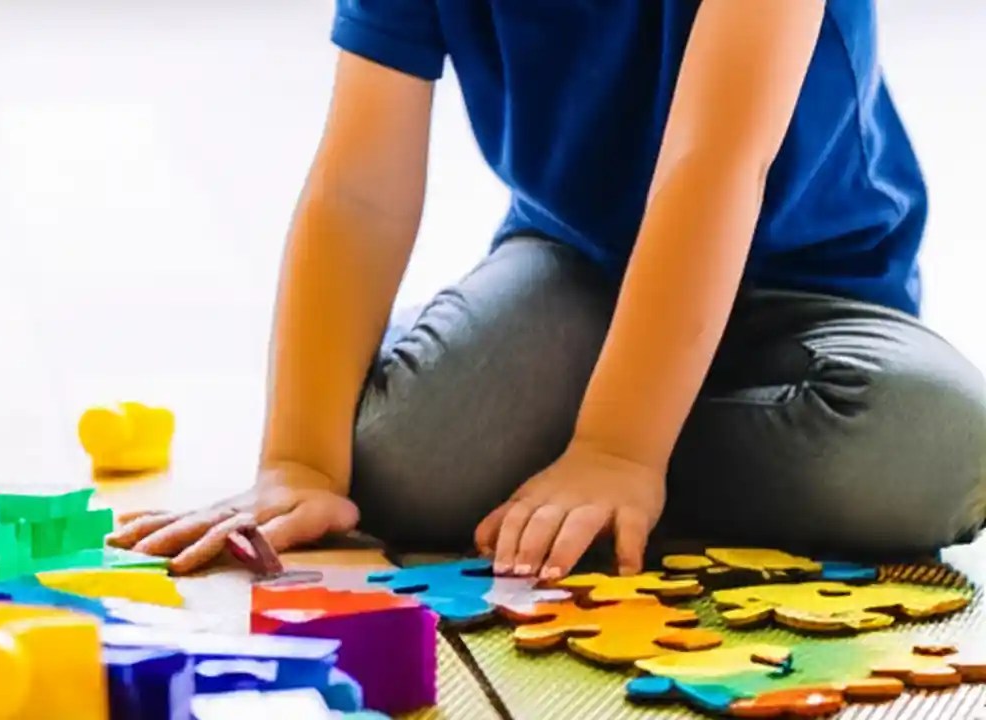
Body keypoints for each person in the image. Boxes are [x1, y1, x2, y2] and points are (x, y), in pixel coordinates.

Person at [110, 1, 986, 577]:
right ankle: (573, 460)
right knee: (404, 467)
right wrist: (294, 459)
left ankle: (595, 465)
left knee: (939, 446)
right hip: (580, 273)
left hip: (812, 299)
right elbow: (360, 189)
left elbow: (714, 159)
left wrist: (620, 449)